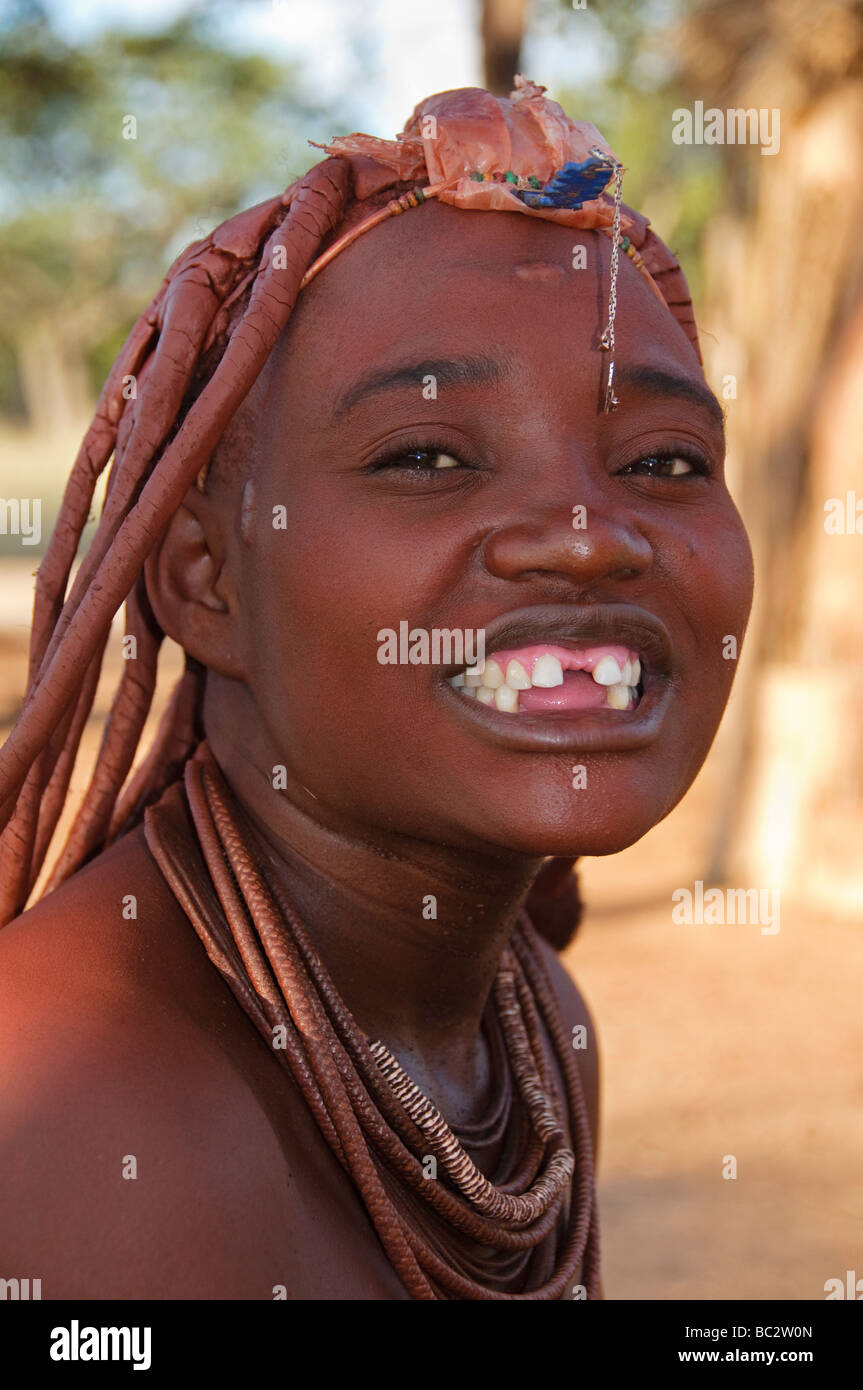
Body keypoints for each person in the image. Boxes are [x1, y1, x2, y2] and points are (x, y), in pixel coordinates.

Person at [0, 78, 753, 1299]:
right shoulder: (93, 1120)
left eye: (663, 462)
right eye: (426, 455)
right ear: (205, 579)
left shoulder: (532, 1028)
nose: (584, 537)